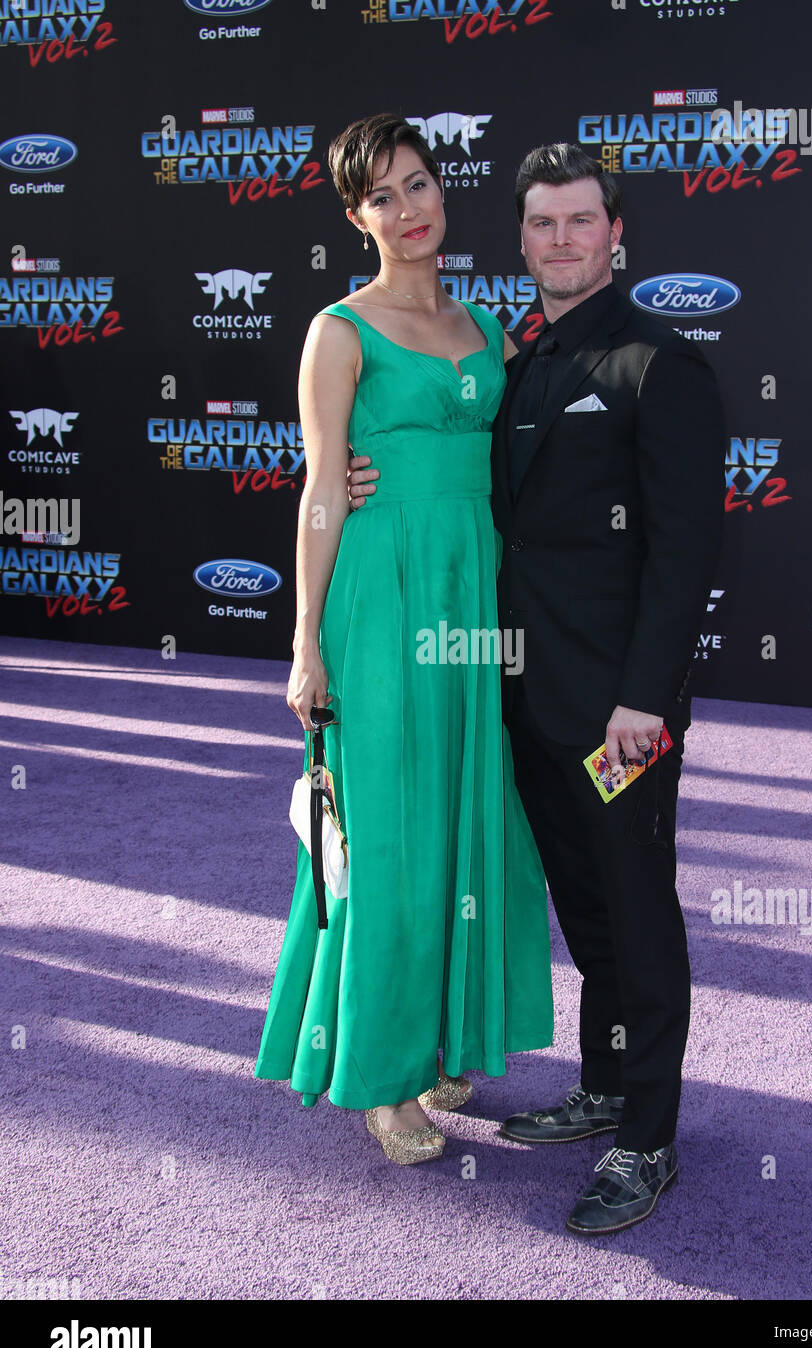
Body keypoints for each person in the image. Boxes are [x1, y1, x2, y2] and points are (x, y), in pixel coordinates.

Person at [348, 142, 725, 1229]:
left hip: (625, 716)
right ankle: (604, 1085)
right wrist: (358, 473)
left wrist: (645, 703)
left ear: (617, 236)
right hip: (524, 701)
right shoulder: (519, 363)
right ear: (521, 239)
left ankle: (646, 1138)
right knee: (588, 908)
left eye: (581, 221)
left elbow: (687, 554)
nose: (561, 240)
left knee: (640, 914)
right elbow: (457, 474)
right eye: (543, 224)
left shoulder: (660, 365)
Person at [253, 114, 554, 1165]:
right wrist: (305, 643)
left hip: (476, 603)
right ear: (355, 216)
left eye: (419, 184)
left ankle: (441, 1039)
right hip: (381, 602)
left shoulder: (487, 328)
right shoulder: (339, 330)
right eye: (381, 196)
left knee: (465, 818)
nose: (408, 208)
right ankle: (379, 1076)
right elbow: (322, 488)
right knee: (384, 833)